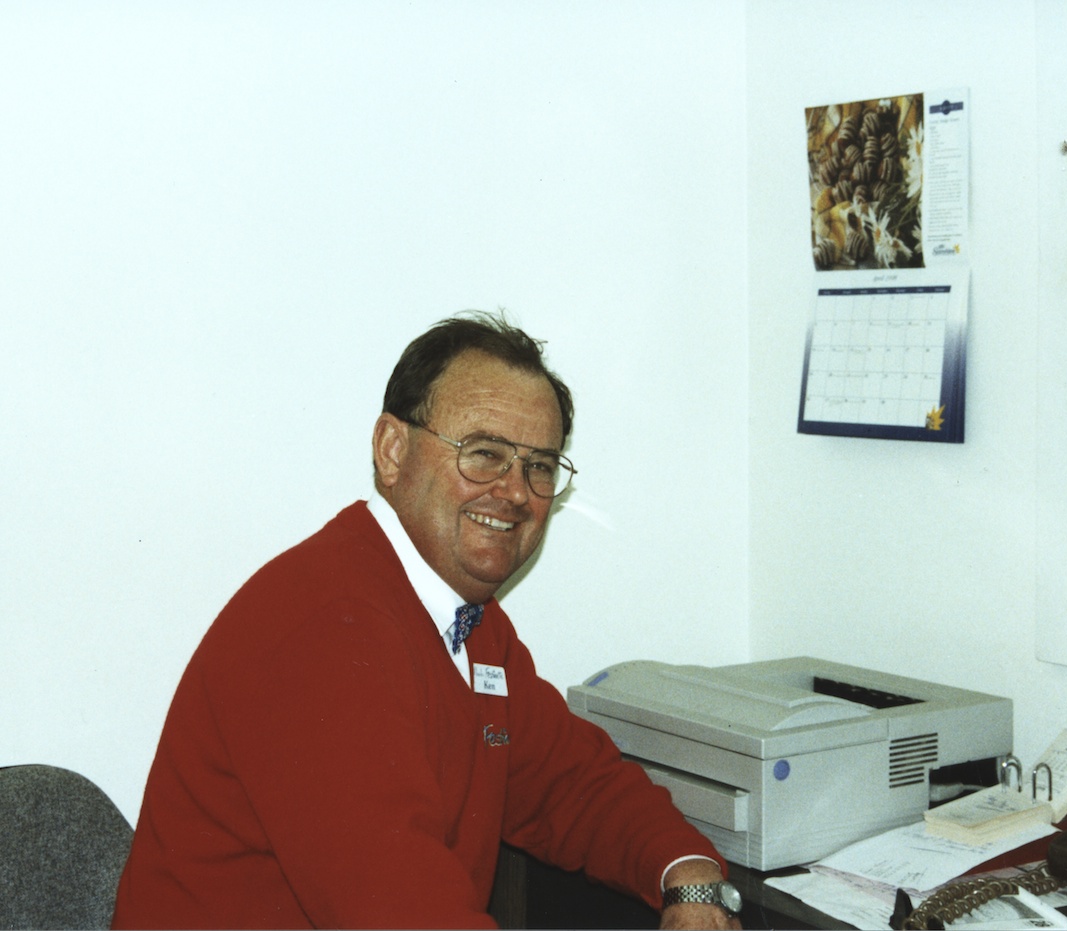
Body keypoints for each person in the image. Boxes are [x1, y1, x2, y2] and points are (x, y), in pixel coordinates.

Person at [112, 312, 741, 929]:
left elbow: (571, 786)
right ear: (392, 450)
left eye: (539, 466)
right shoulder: (326, 627)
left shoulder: (467, 623)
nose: (516, 492)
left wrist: (686, 876)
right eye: (485, 453)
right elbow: (400, 910)